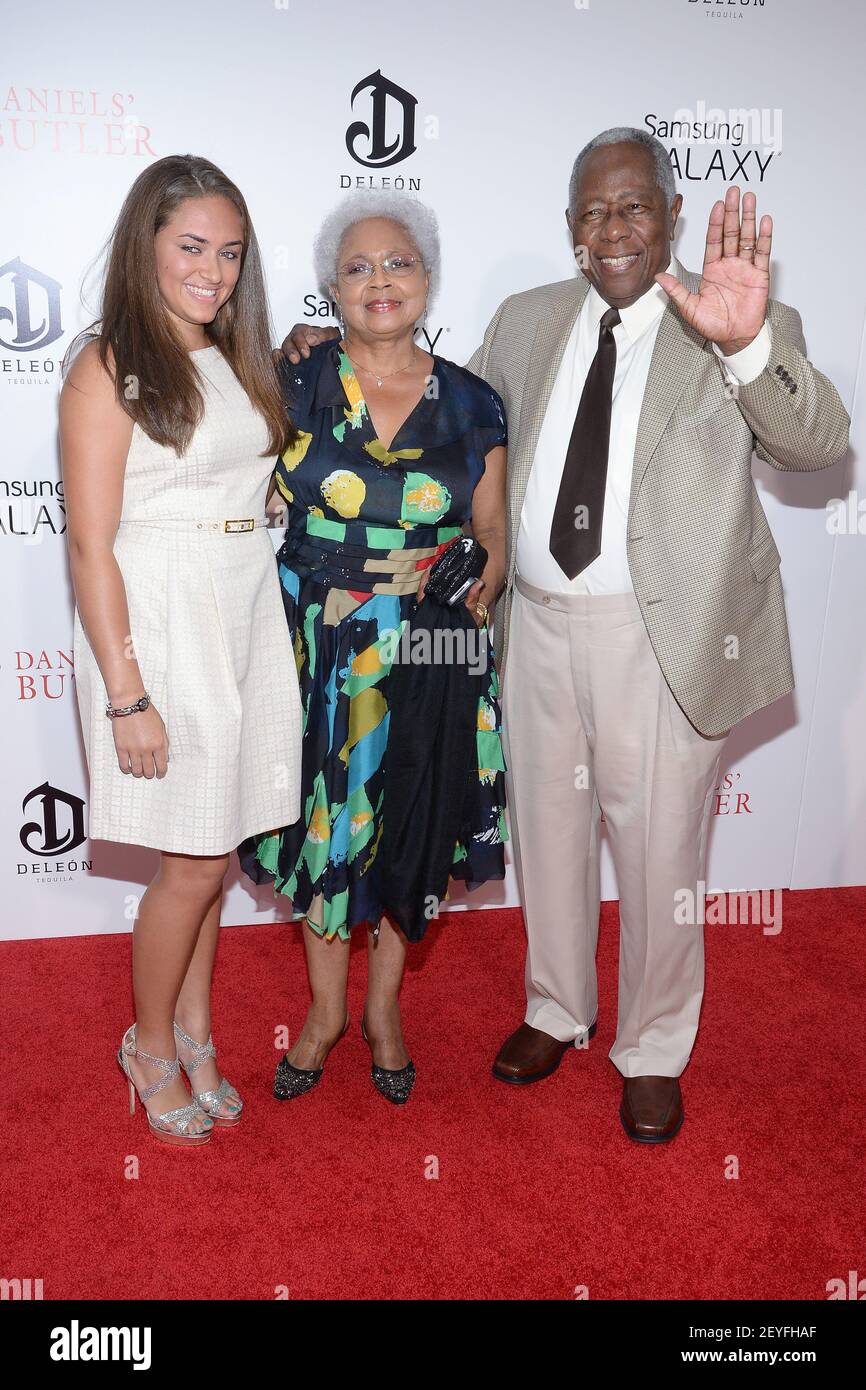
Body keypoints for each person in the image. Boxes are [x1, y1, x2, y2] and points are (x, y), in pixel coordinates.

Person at [284, 128, 850, 1141]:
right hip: (528, 627)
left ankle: (652, 1044)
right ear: (569, 231)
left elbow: (815, 443)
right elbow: (440, 425)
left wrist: (747, 343)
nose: (613, 227)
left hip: (658, 636)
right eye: (592, 211)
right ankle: (555, 1007)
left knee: (659, 851)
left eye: (633, 206)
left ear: (670, 216)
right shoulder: (528, 318)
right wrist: (327, 350)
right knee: (544, 836)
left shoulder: (735, 322)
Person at [238, 189, 508, 1105]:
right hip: (316, 641)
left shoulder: (473, 403)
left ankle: (385, 1010)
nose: (379, 280)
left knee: (409, 825)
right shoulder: (291, 382)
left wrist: (481, 575)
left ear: (427, 279)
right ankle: (323, 1017)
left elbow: (495, 537)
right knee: (326, 830)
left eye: (397, 263)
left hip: (430, 646)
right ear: (330, 292)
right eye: (357, 268)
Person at [61, 154, 303, 1147]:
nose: (212, 271)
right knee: (194, 866)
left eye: (230, 253)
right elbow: (88, 543)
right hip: (157, 623)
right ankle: (150, 1044)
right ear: (145, 246)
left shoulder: (235, 357)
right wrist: (127, 691)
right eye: (191, 247)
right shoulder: (108, 362)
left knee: (213, 848)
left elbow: (243, 481)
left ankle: (198, 1031)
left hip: (243, 611)